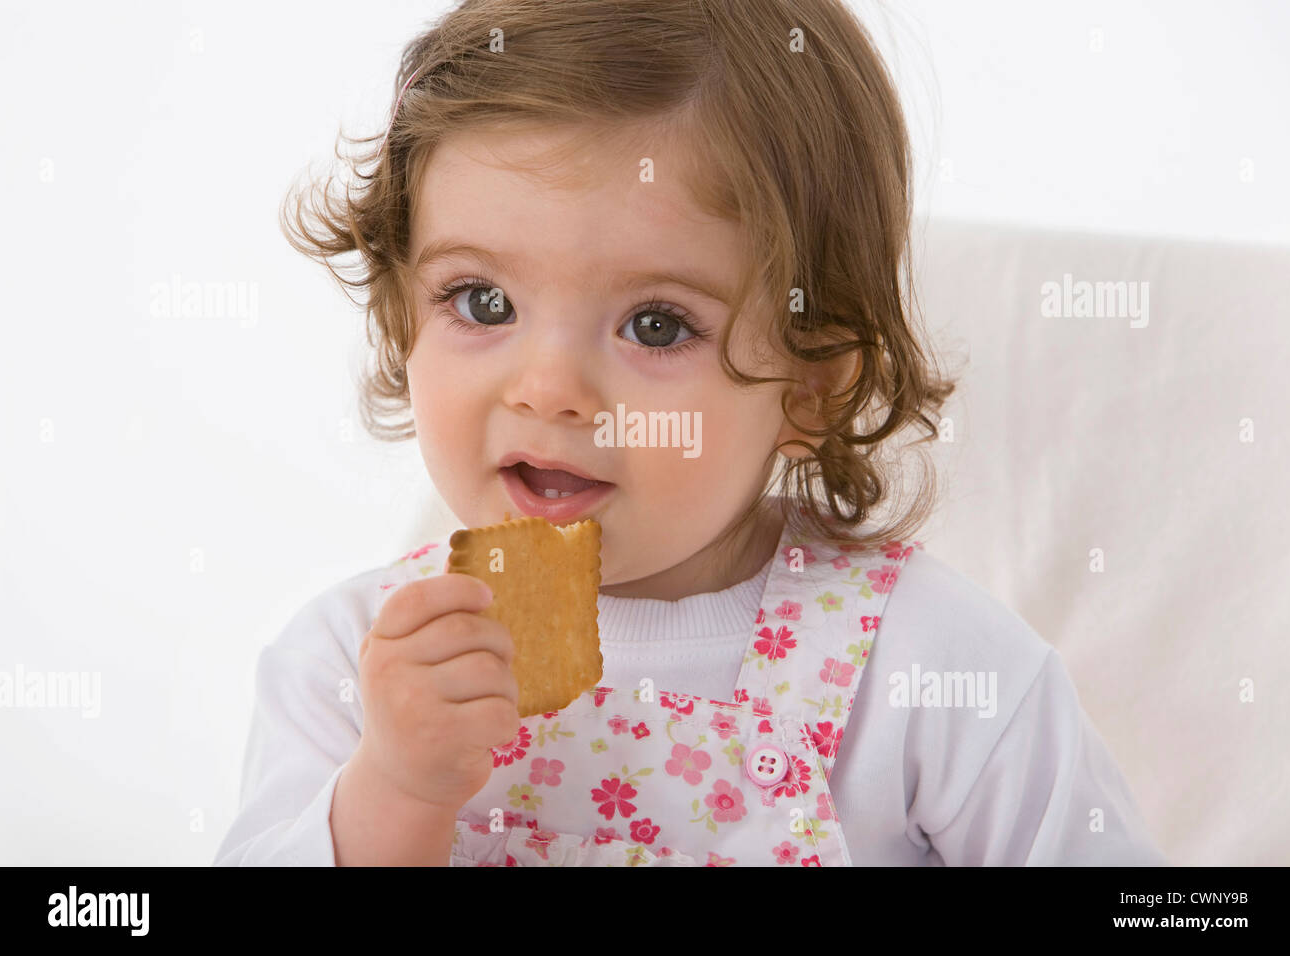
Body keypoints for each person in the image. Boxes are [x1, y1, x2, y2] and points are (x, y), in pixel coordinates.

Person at [216, 0, 1165, 866]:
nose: (550, 390)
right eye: (484, 299)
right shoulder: (351, 663)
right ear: (400, 316)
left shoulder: (929, 669)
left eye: (657, 325)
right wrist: (391, 795)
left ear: (809, 386)